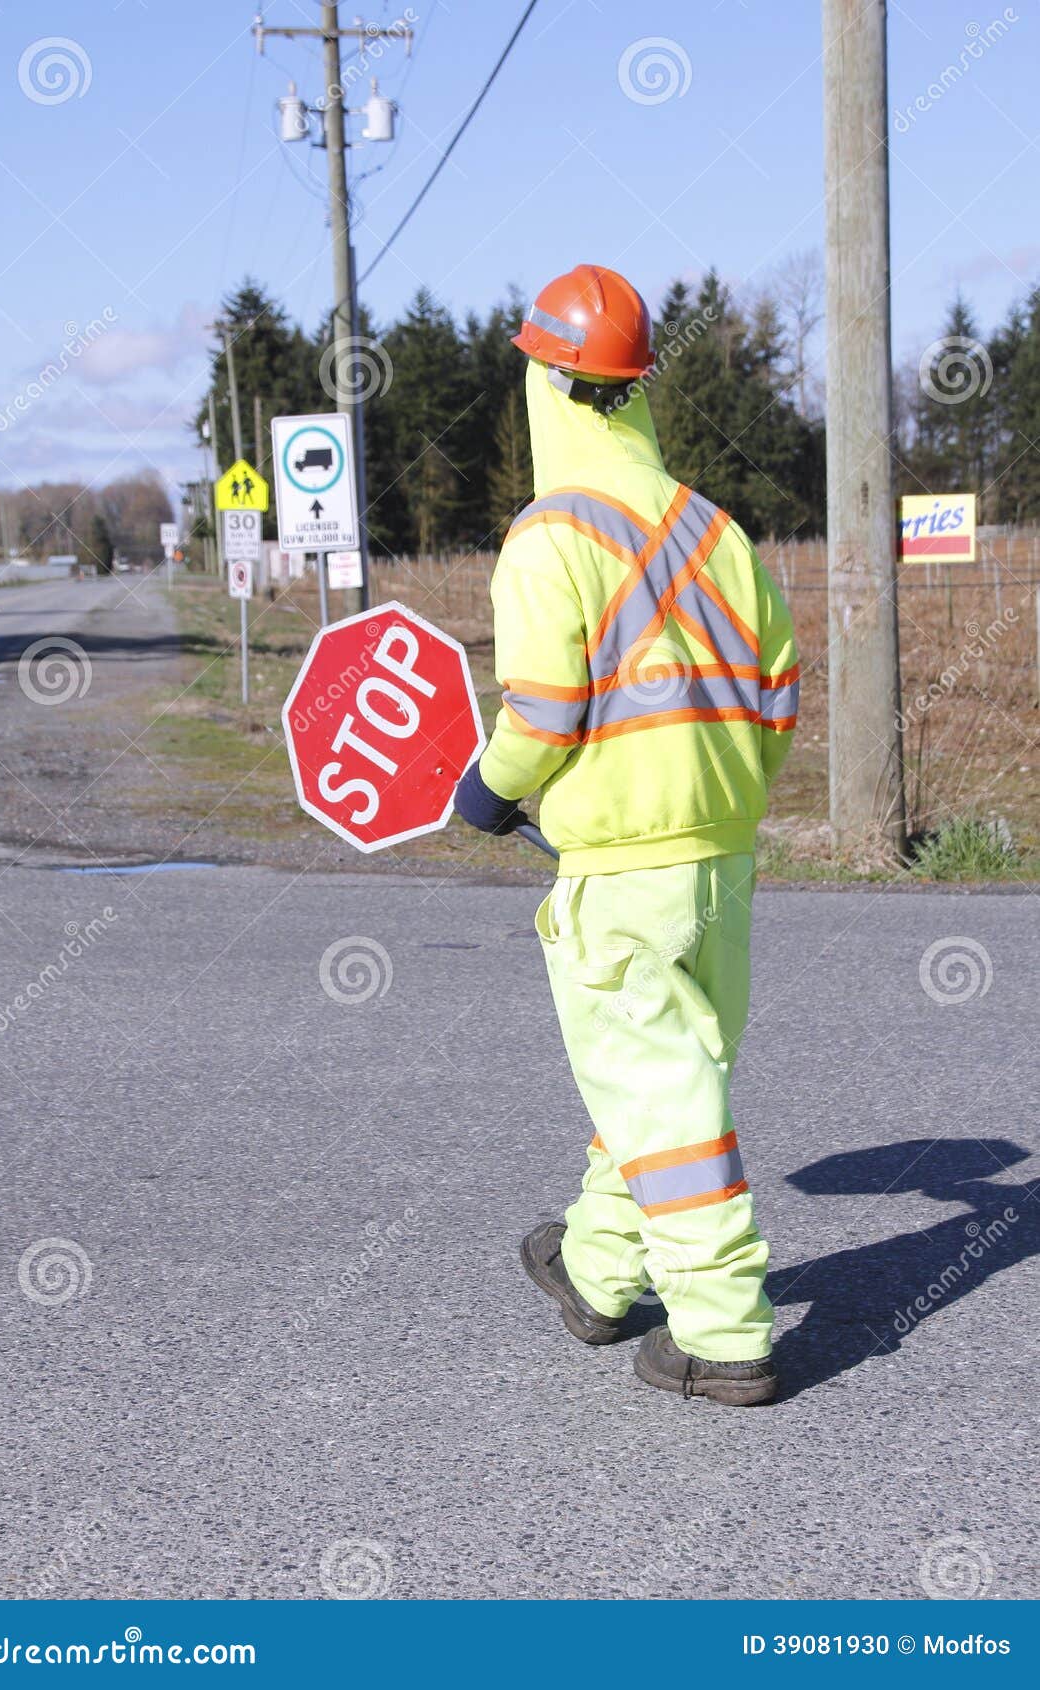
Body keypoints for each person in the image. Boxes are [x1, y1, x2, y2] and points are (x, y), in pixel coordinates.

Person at [454, 264, 798, 1406]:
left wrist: (491, 791)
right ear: (636, 388)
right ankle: (600, 1274)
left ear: (547, 384)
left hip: (620, 872)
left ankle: (723, 1332)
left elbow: (543, 711)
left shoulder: (550, 535)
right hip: (725, 863)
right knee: (666, 1079)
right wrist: (721, 801)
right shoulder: (716, 529)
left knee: (660, 1091)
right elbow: (778, 695)